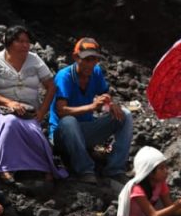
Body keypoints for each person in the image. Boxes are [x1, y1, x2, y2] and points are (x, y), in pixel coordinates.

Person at [50, 38, 133, 186]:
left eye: (94, 59)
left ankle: (115, 169)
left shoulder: (96, 72)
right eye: (86, 59)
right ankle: (85, 170)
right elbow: (61, 111)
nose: (91, 64)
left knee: (125, 115)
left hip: (86, 130)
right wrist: (92, 107)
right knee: (69, 121)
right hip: (63, 136)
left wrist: (111, 104)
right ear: (76, 57)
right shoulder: (64, 77)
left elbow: (105, 97)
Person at [0, 26, 66, 183]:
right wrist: (9, 102)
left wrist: (42, 112)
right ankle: (6, 168)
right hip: (2, 112)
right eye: (20, 41)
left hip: (29, 113)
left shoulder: (35, 60)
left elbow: (51, 86)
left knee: (35, 134)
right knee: (10, 123)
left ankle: (43, 166)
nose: (25, 45)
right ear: (9, 42)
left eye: (27, 41)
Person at [115, 147, 181, 216]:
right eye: (161, 168)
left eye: (165, 167)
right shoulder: (137, 189)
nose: (166, 171)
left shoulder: (161, 184)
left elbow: (173, 211)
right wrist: (179, 204)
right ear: (149, 172)